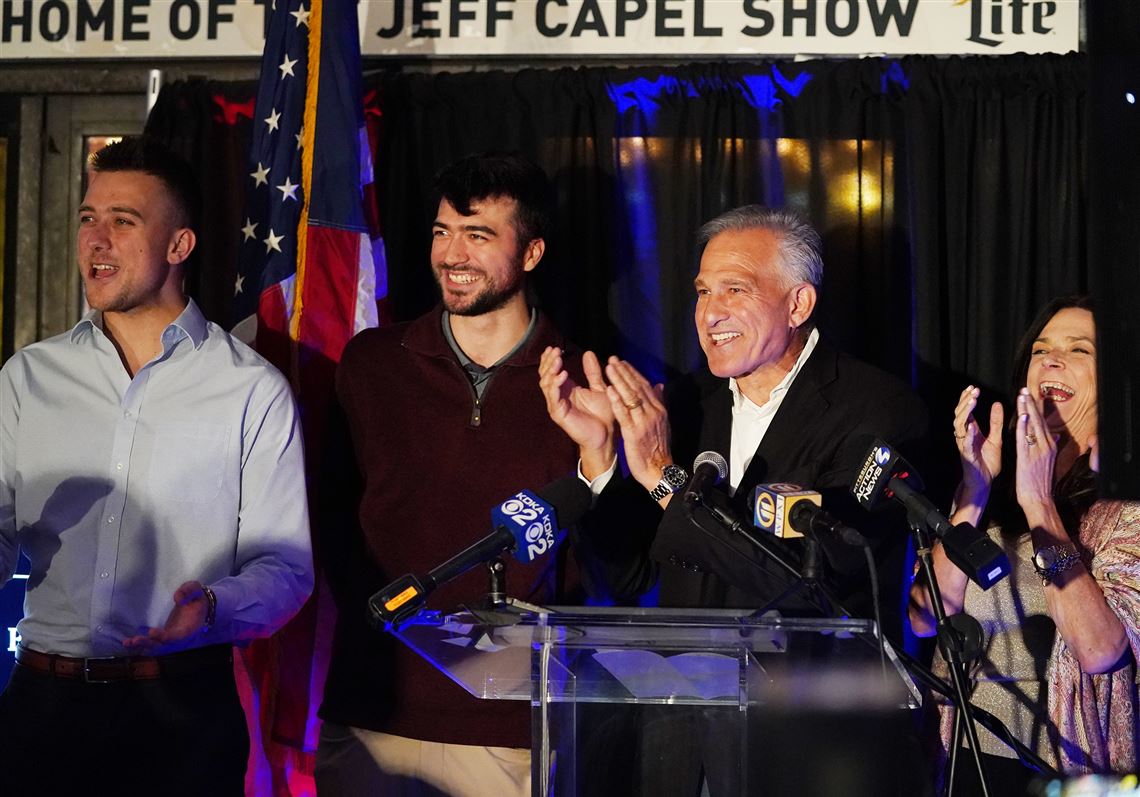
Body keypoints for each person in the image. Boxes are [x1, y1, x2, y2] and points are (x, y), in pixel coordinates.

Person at [541, 205, 929, 795]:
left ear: (798, 304)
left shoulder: (877, 410)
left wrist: (662, 477)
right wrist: (599, 458)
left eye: (734, 289)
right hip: (680, 749)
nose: (710, 312)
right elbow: (630, 578)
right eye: (701, 291)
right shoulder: (689, 405)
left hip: (806, 751)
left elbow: (812, 579)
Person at [0, 136, 313, 795]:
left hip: (182, 717)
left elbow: (287, 569)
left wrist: (211, 605)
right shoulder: (29, 376)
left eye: (124, 221)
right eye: (89, 218)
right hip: (42, 709)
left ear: (179, 246)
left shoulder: (250, 390)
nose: (97, 240)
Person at [315, 152, 590, 797]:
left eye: (479, 234)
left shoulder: (585, 380)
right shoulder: (372, 363)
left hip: (508, 729)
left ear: (532, 252)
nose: (452, 253)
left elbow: (603, 561)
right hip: (372, 713)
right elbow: (331, 515)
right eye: (442, 232)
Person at [908, 296, 1140, 795]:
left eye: (1079, 350)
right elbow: (926, 618)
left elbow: (1101, 651)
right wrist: (973, 491)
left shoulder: (1127, 506)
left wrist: (1039, 506)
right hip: (963, 755)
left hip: (1063, 768)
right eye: (1041, 350)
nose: (1052, 360)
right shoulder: (994, 489)